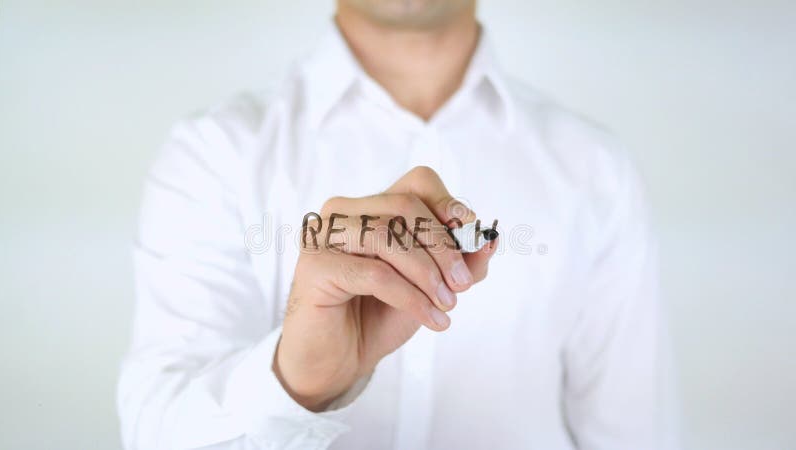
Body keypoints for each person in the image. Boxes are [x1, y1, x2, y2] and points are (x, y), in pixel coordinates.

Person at [117, 0, 678, 448]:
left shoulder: (596, 171)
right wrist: (298, 382)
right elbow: (157, 434)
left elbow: (633, 436)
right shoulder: (213, 154)